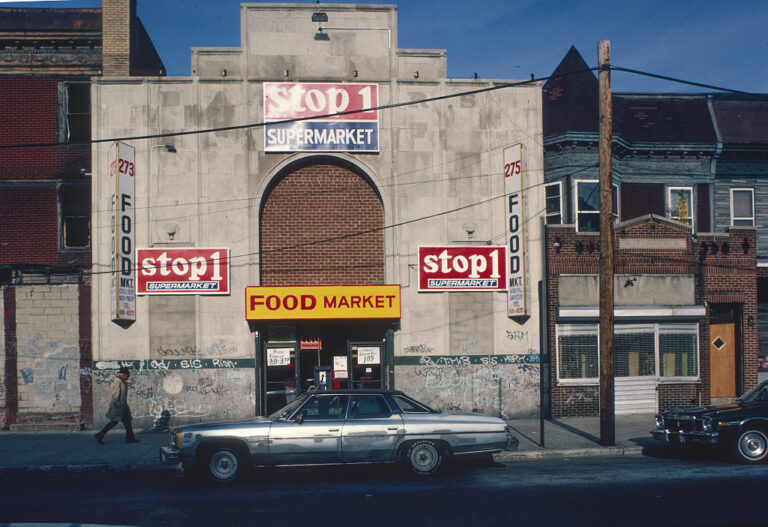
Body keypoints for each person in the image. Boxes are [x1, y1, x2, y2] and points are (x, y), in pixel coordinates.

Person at [94, 367, 139, 444]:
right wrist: (118, 405)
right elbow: (115, 394)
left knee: (127, 422)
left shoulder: (121, 381)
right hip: (118, 406)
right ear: (124, 375)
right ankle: (100, 435)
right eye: (127, 375)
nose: (128, 377)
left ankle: (130, 438)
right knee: (114, 422)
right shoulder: (118, 382)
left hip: (123, 406)